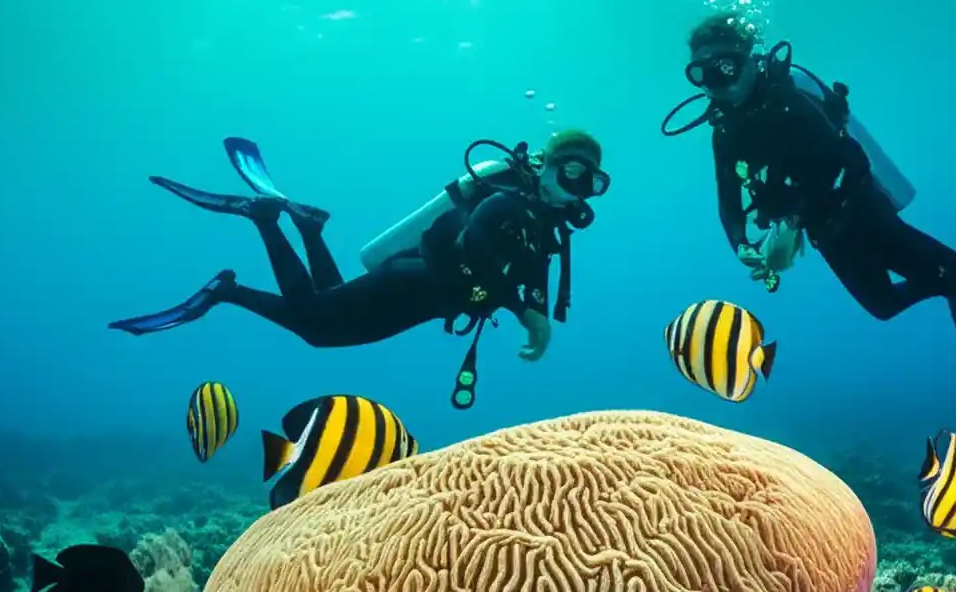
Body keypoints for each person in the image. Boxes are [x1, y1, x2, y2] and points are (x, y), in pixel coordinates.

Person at [662, 13, 956, 391]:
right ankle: (948, 282)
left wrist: (788, 207)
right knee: (884, 306)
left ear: (745, 61)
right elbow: (727, 202)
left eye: (723, 67)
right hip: (825, 232)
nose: (714, 83)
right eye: (701, 74)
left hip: (862, 208)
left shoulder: (789, 99)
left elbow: (837, 153)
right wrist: (742, 245)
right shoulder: (724, 132)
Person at [108, 132, 610, 408]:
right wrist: (525, 311)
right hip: (413, 282)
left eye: (591, 182)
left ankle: (308, 229)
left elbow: (528, 270)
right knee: (316, 325)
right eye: (571, 171)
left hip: (422, 295)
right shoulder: (508, 204)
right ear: (546, 165)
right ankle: (250, 248)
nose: (577, 186)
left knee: (329, 304)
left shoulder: (545, 225)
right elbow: (479, 250)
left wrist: (535, 312)